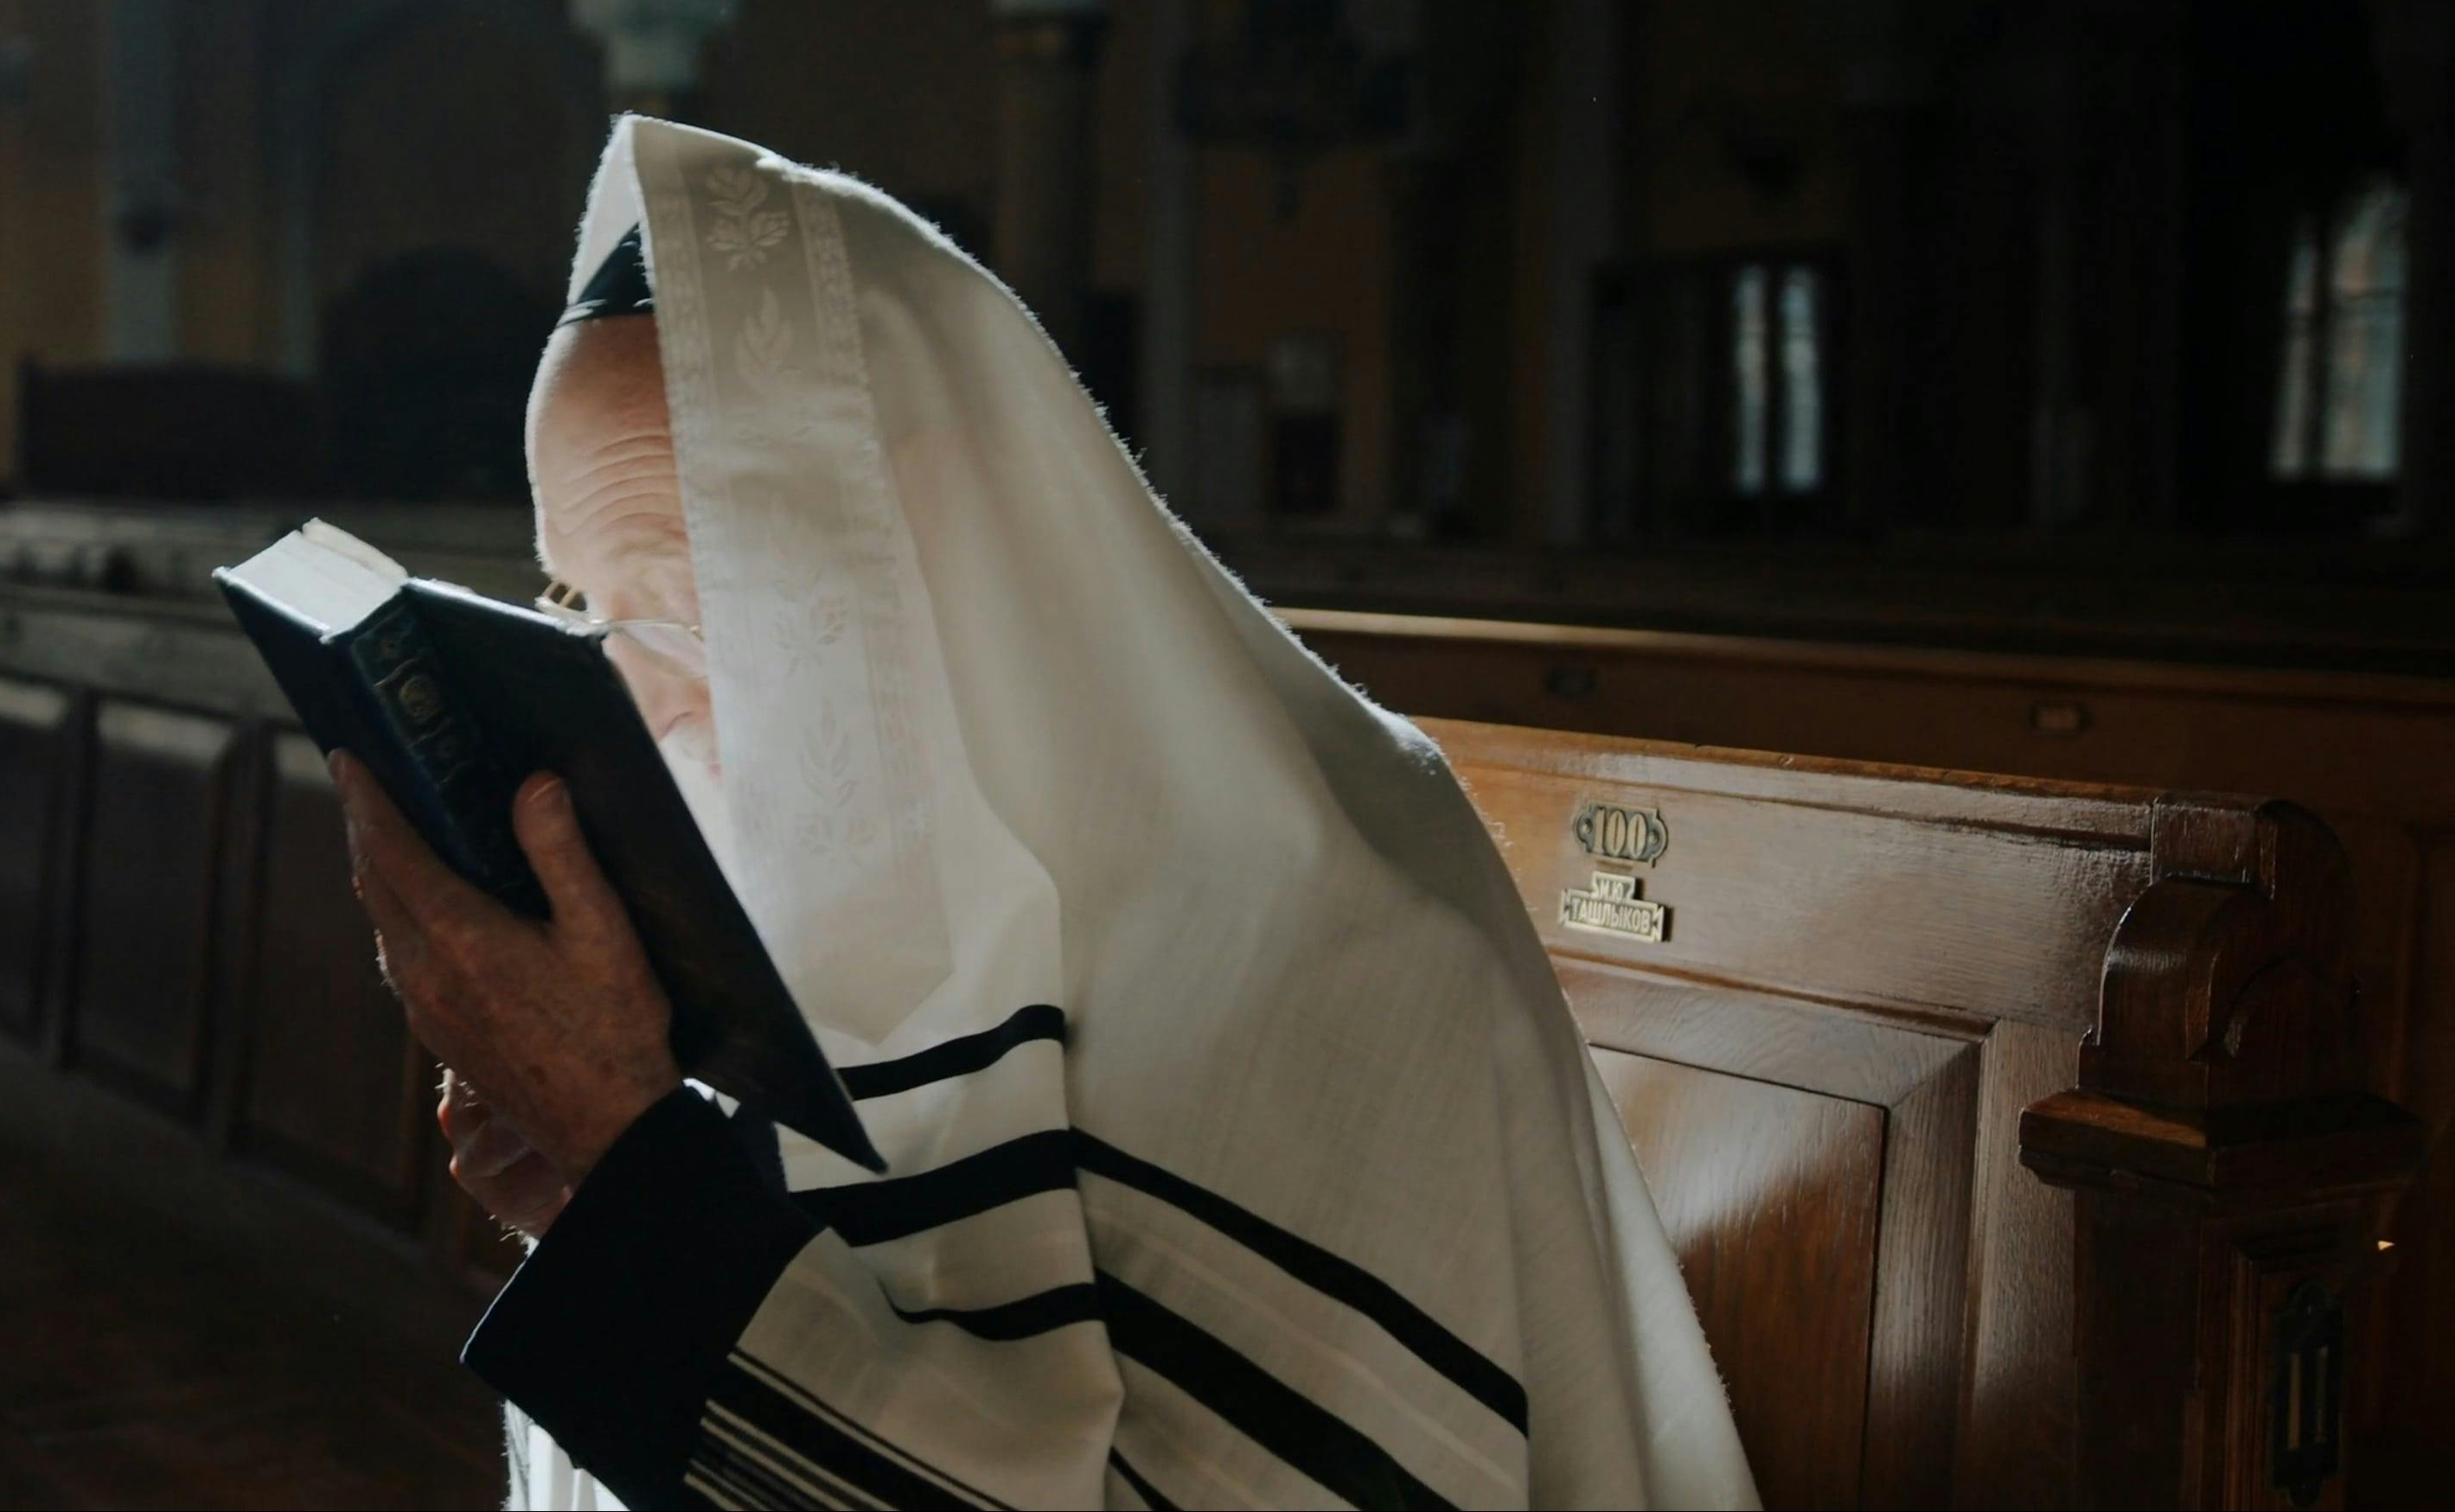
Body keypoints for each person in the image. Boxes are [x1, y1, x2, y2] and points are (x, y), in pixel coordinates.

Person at [331, 117, 1759, 1510]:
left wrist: (631, 1167)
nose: (625, 703)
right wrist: (600, 1201)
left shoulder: (1340, 941)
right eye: (581, 600)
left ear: (915, 540)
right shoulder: (777, 866)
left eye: (681, 598)